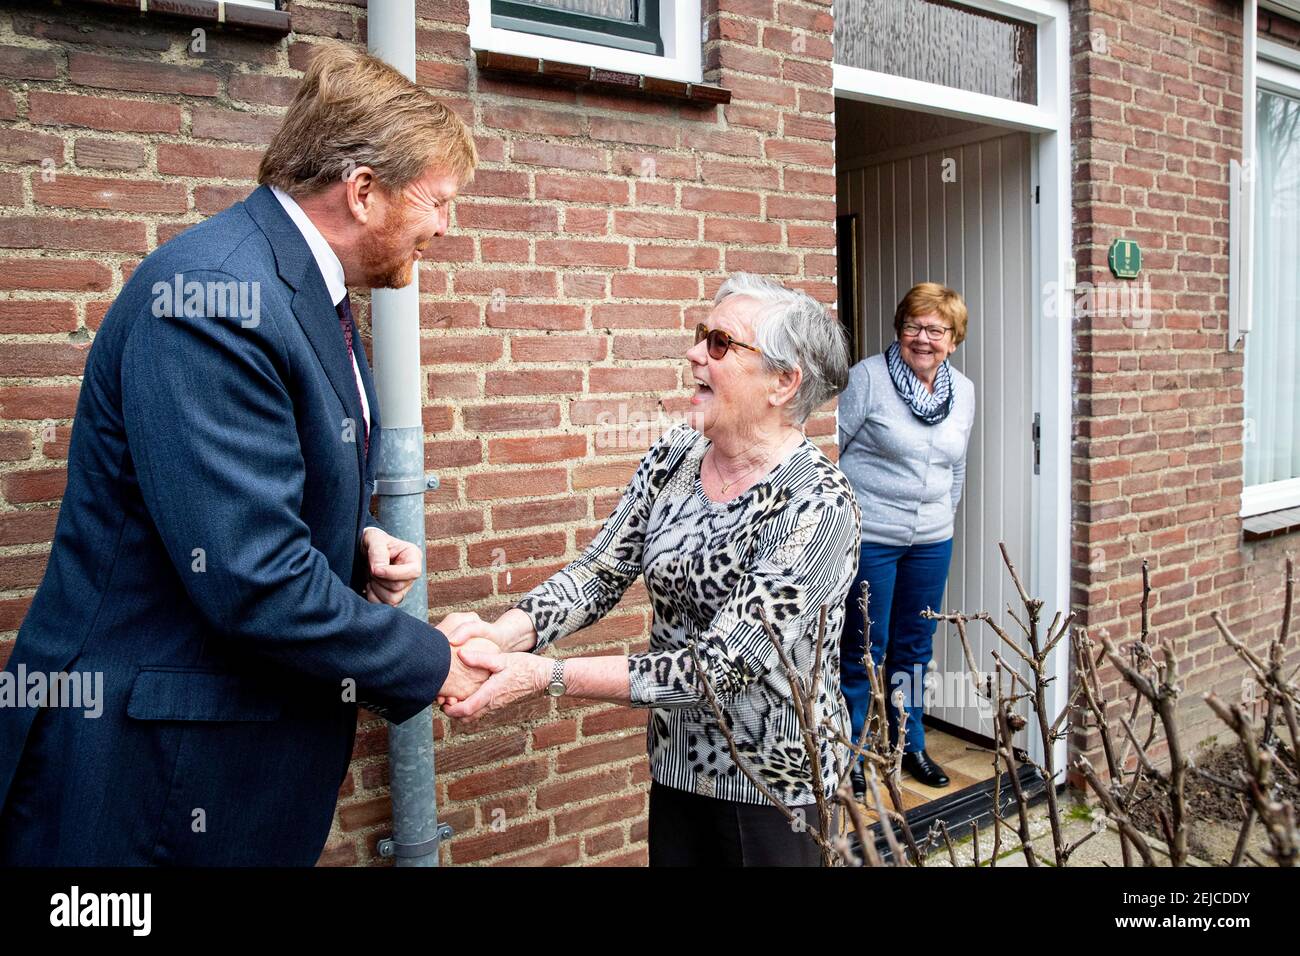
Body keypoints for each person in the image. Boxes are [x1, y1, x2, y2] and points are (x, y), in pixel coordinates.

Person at [0, 44, 489, 865]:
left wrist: (352, 537)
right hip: (150, 774)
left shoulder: (301, 286)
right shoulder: (216, 298)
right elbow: (251, 573)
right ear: (363, 192)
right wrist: (432, 660)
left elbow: (254, 486)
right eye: (437, 202)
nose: (447, 227)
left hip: (220, 759)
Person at [437, 274, 861, 867]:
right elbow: (602, 570)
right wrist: (501, 634)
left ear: (782, 382)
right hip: (676, 762)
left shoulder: (817, 503)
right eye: (699, 336)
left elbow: (715, 671)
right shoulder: (673, 456)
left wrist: (544, 676)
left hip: (774, 785)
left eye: (719, 343)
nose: (693, 353)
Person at [837, 283, 976, 795]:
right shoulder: (867, 380)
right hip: (870, 537)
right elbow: (834, 454)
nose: (923, 338)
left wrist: (941, 518)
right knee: (863, 646)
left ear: (953, 340)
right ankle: (848, 749)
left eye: (936, 330)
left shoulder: (964, 391)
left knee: (916, 646)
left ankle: (907, 741)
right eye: (914, 326)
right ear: (899, 329)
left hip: (932, 542)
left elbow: (956, 467)